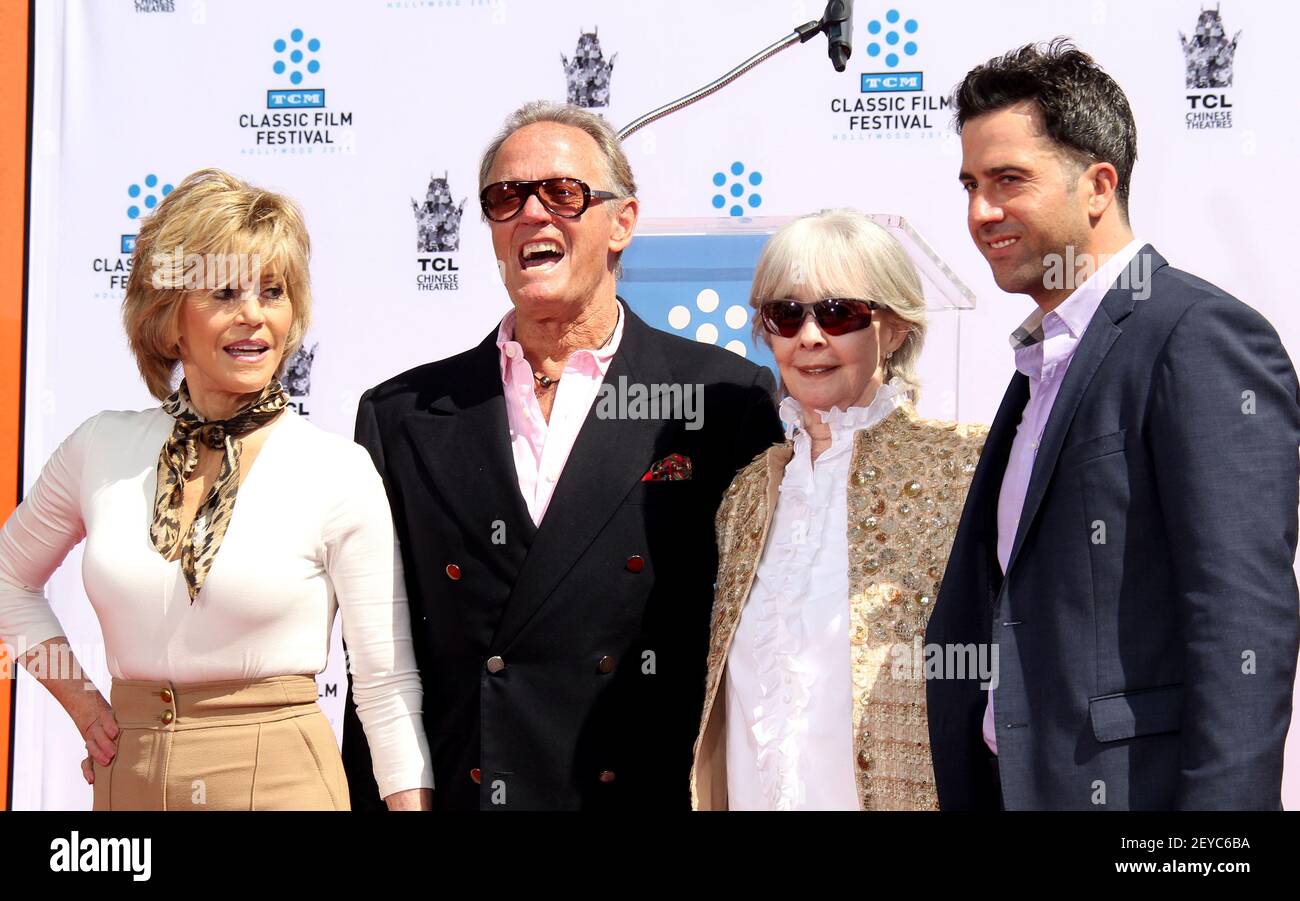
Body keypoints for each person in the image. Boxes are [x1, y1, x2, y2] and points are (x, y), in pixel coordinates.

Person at [339, 101, 783, 810]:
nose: (533, 213)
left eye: (564, 193)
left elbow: (763, 639)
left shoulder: (725, 399)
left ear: (623, 222)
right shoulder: (403, 415)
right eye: (506, 197)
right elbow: (380, 661)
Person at [926, 39, 1300, 810]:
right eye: (969, 184)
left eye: (1008, 181)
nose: (979, 212)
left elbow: (1242, 626)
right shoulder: (1043, 358)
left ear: (1098, 185)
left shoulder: (1197, 336)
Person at [0, 169, 432, 810]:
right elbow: (9, 580)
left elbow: (384, 680)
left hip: (284, 784)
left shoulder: (335, 470)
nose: (254, 316)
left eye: (273, 291)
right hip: (130, 782)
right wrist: (85, 704)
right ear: (168, 317)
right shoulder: (100, 447)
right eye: (225, 292)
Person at [689, 210, 986, 810]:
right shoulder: (747, 495)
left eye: (838, 313)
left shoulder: (965, 468)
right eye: (786, 314)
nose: (811, 337)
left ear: (895, 327)